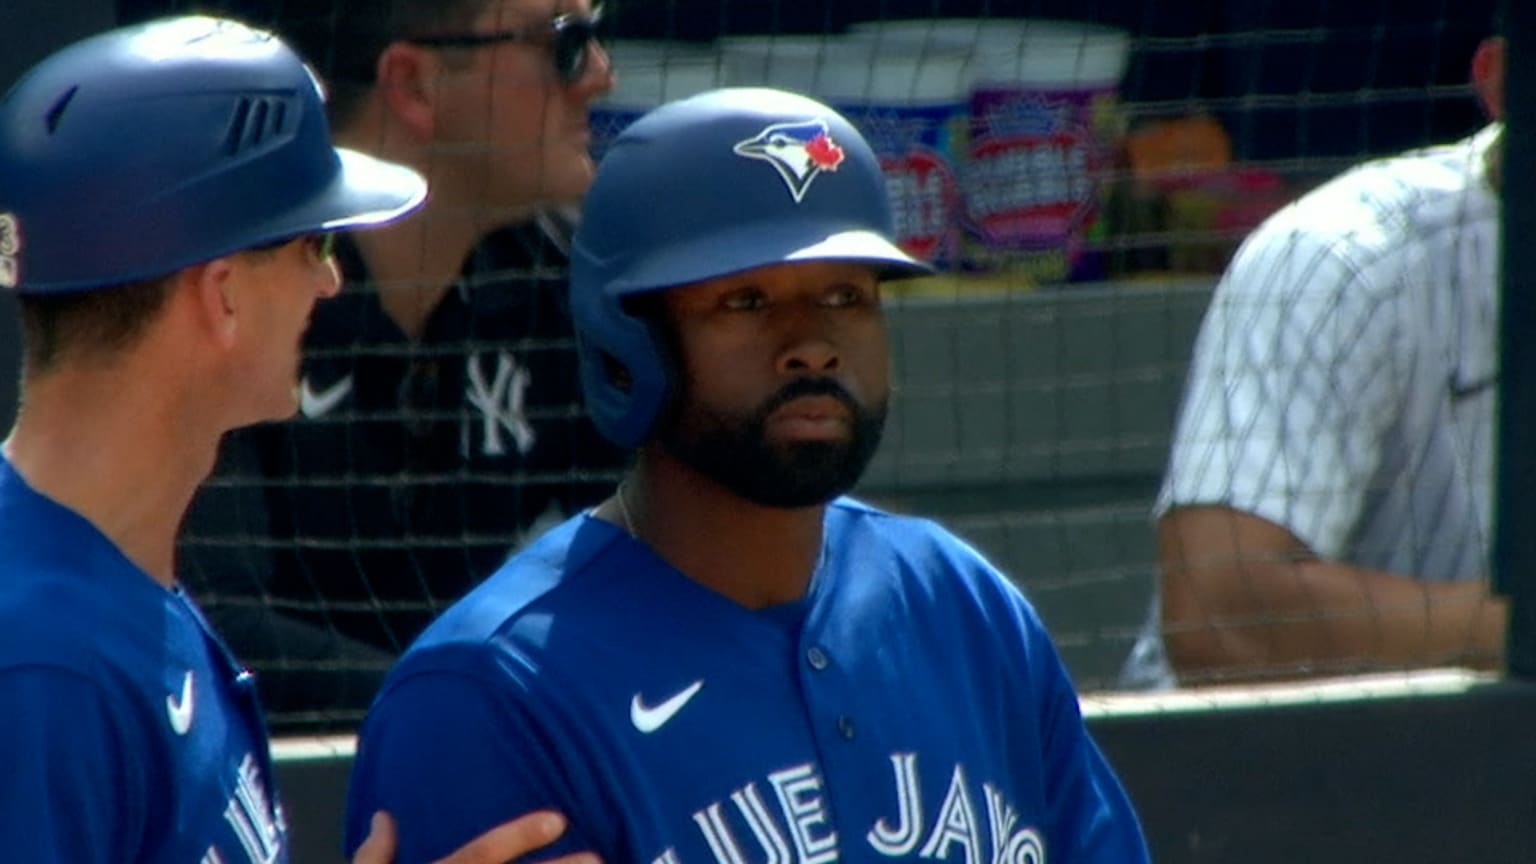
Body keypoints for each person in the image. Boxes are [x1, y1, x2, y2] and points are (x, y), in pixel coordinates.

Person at [341, 86, 1150, 863]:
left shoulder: (965, 608)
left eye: (845, 296)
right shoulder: (490, 695)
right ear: (629, 342)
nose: (813, 344)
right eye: (748, 301)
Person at [0, 16, 597, 864]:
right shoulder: (40, 669)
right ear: (222, 295)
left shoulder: (123, 589)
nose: (331, 279)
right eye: (312, 243)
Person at [174, 0, 628, 727]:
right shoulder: (231, 291)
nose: (600, 76)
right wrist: (475, 704)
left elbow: (654, 538)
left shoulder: (550, 281)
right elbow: (212, 623)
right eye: (565, 44)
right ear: (415, 83)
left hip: (463, 746)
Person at [1149, 32, 1509, 684]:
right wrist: (1519, 628)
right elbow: (1220, 618)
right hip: (1257, 744)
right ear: (1501, 81)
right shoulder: (1340, 257)